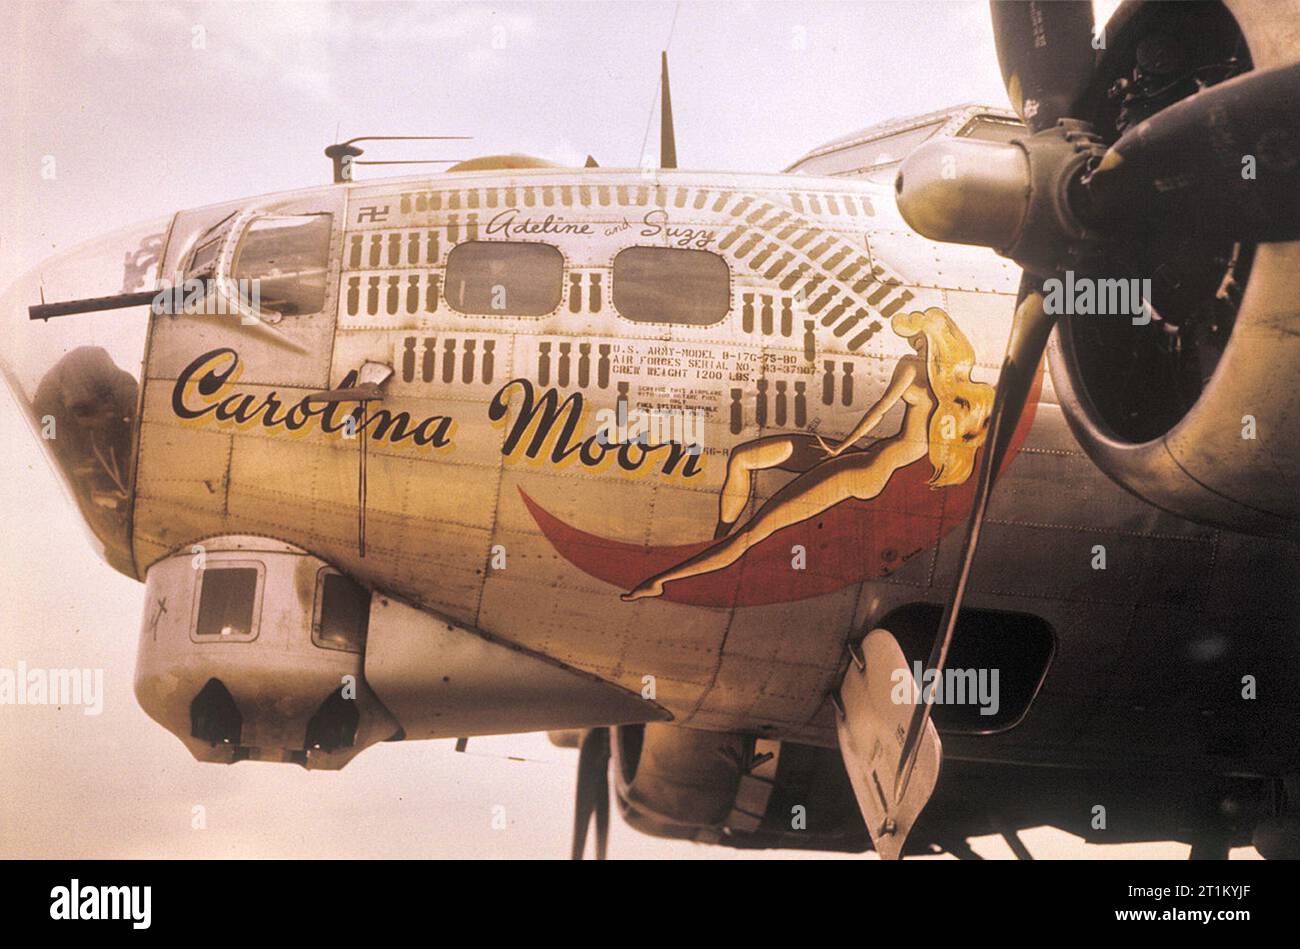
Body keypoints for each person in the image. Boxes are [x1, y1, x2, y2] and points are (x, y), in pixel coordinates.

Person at [621, 307, 993, 601]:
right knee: (743, 458)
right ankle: (717, 540)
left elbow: (879, 410)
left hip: (861, 469)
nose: (914, 345)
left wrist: (839, 450)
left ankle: (664, 579)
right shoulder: (956, 399)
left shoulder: (915, 372)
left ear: (931, 343)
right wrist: (842, 450)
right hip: (862, 458)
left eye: (918, 339)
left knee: (754, 533)